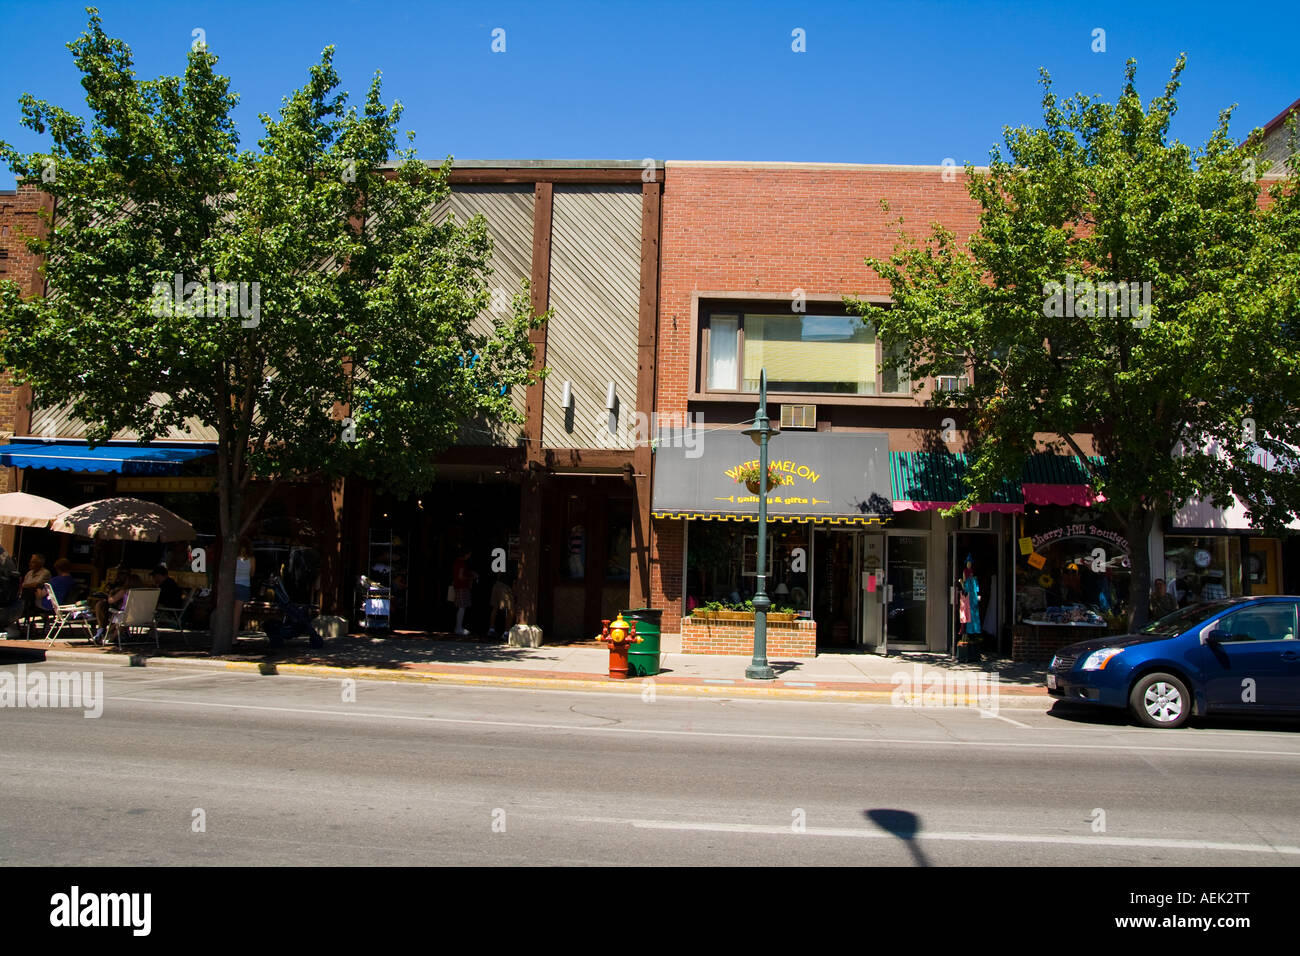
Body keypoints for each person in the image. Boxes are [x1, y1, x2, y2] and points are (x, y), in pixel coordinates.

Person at [451, 549, 477, 636]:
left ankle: (458, 627)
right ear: (466, 554)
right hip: (462, 587)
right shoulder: (462, 563)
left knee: (460, 607)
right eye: (469, 554)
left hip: (458, 586)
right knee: (462, 607)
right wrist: (471, 577)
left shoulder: (457, 562)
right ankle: (458, 628)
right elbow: (461, 576)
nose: (469, 556)